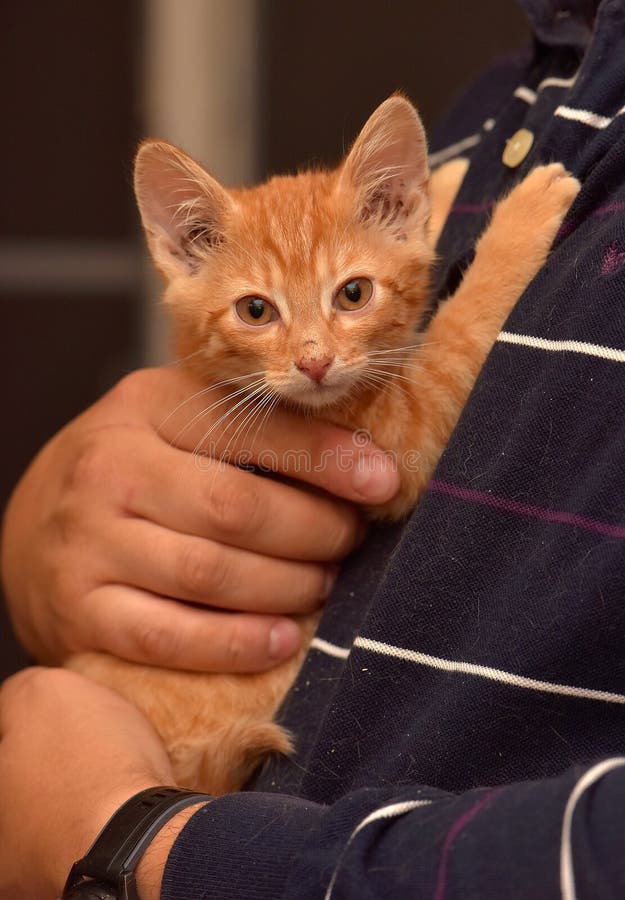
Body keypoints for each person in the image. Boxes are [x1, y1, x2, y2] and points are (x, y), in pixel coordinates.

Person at [2, 0, 625, 896]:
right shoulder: (502, 101)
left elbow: (396, 454)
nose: (314, 355)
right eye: (257, 311)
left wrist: (130, 841)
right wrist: (35, 549)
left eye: (347, 297)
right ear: (181, 256)